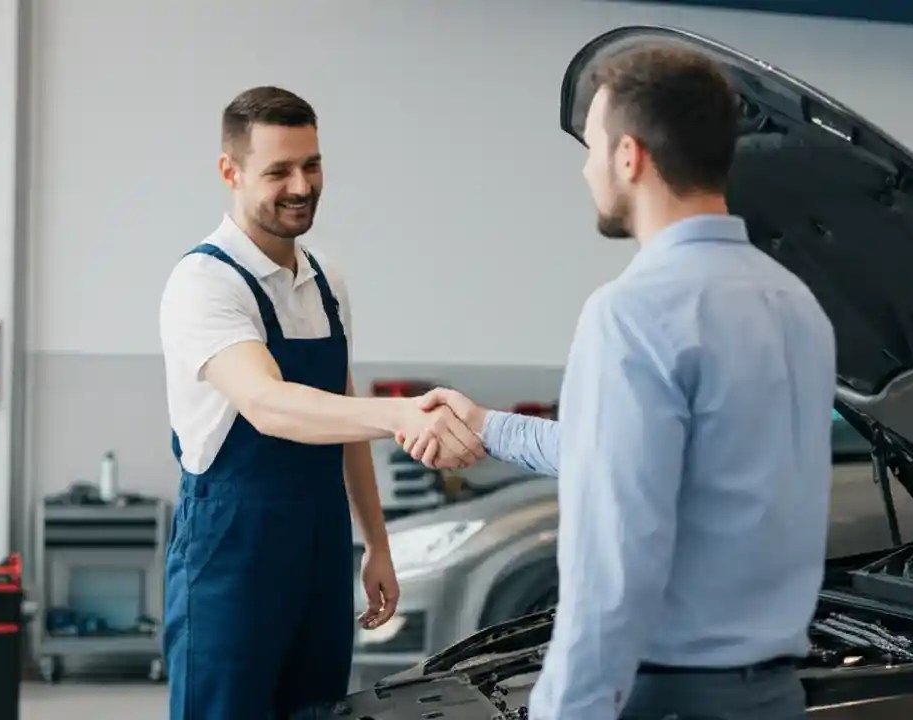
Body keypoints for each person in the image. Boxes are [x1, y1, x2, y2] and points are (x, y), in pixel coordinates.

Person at [400, 44, 836, 719]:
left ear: (630, 157)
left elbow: (612, 571)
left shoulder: (633, 314)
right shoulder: (798, 307)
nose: (585, 167)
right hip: (776, 695)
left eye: (593, 146)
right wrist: (488, 425)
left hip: (666, 696)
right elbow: (637, 456)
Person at [158, 85, 485, 720]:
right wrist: (400, 416)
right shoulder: (204, 282)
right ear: (230, 172)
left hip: (320, 547)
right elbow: (270, 405)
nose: (302, 185)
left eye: (311, 164)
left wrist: (376, 543)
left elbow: (340, 413)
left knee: (320, 712)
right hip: (232, 549)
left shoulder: (325, 279)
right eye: (278, 170)